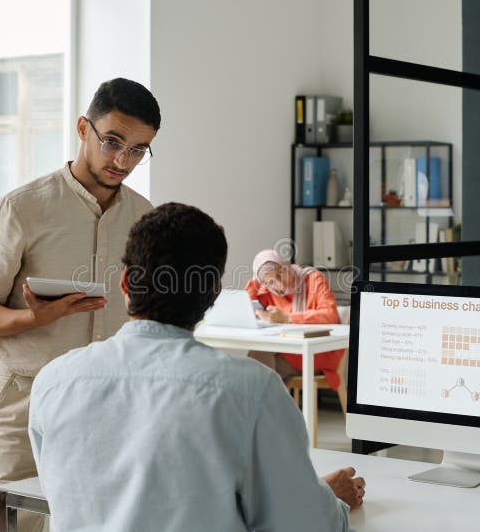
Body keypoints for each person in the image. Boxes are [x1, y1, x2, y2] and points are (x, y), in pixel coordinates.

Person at [29, 203, 365, 532]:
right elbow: (302, 523)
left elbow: (61, 494)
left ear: (125, 283)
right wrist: (327, 499)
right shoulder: (251, 391)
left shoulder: (53, 382)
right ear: (215, 293)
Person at [0, 78, 160, 532]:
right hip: (26, 400)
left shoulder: (145, 216)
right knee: (19, 524)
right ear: (82, 128)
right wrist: (35, 317)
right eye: (112, 141)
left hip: (109, 402)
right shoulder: (21, 208)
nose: (122, 160)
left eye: (138, 149)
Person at [246, 249, 346, 391]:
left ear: (286, 265)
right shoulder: (268, 291)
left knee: (258, 364)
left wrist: (288, 318)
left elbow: (330, 315)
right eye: (272, 281)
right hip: (285, 352)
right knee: (259, 361)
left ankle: (262, 410)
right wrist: (256, 280)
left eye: (281, 273)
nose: (280, 283)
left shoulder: (313, 279)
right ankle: (270, 409)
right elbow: (247, 308)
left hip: (317, 353)